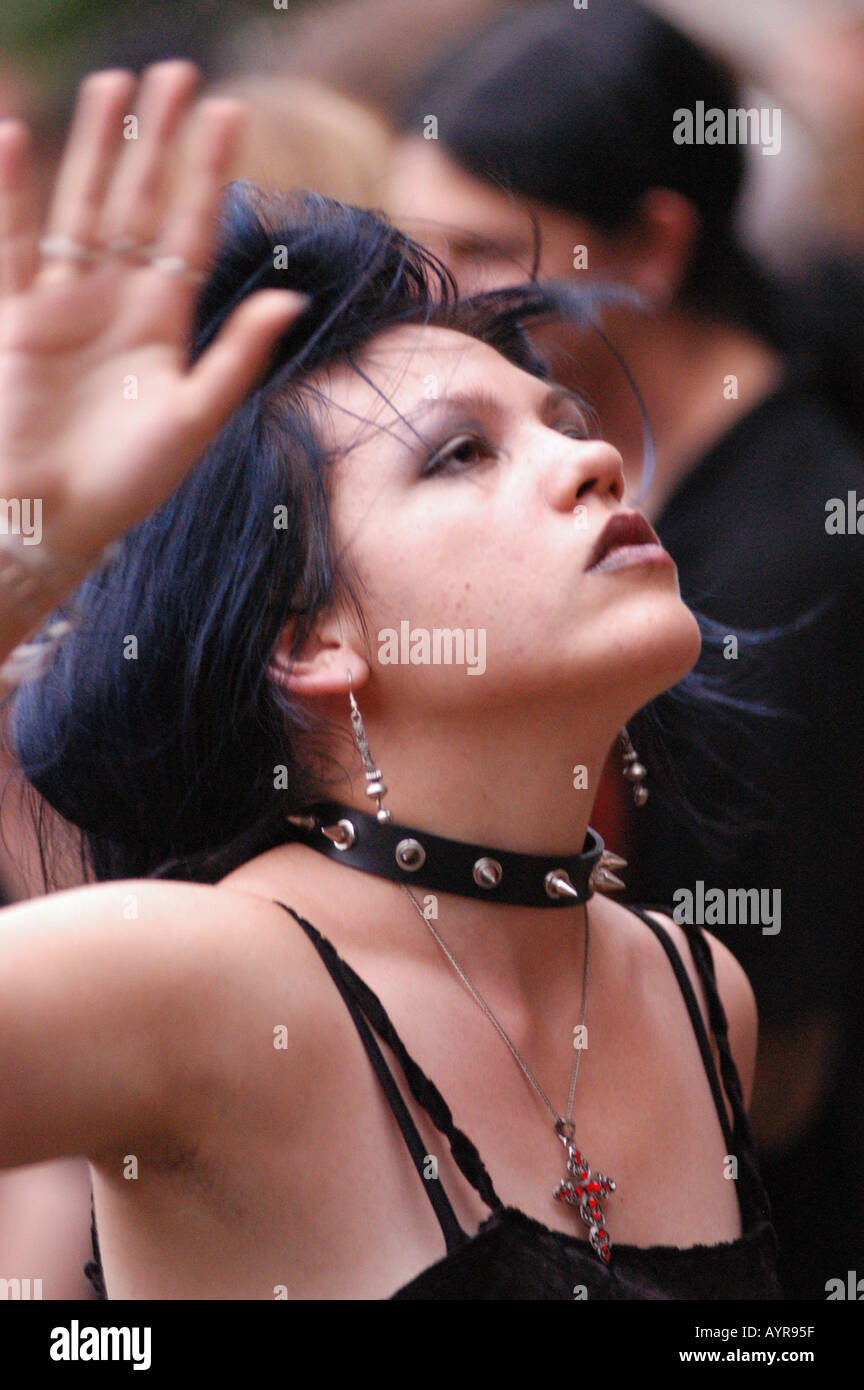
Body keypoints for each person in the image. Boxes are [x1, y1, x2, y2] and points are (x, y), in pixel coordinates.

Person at [0, 60, 781, 1301]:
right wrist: (23, 549)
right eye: (460, 455)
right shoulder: (198, 980)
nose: (587, 462)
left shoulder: (697, 989)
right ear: (306, 639)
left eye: (562, 416)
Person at [388, 0, 864, 1300]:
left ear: (654, 243)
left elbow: (783, 1064)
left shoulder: (790, 565)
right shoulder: (633, 481)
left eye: (484, 246)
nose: (436, 299)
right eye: (411, 244)